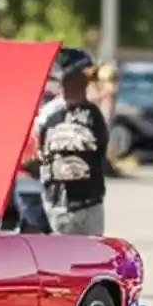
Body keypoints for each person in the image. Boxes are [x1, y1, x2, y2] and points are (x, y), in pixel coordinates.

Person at [35, 49, 110, 235]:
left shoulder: (92, 114)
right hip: (59, 206)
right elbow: (39, 152)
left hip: (88, 204)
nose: (86, 82)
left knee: (91, 259)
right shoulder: (49, 115)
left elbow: (101, 150)